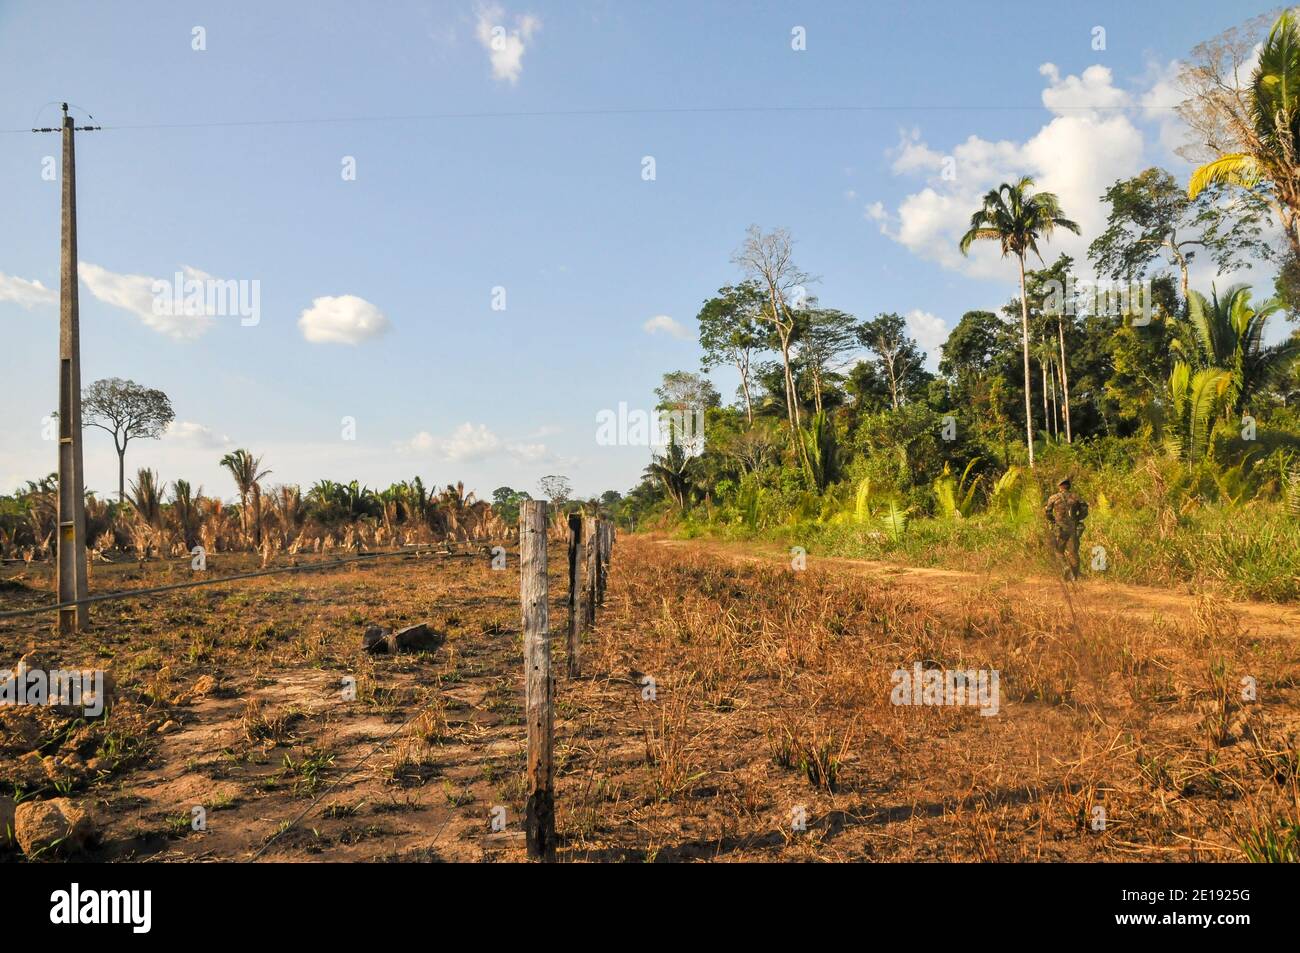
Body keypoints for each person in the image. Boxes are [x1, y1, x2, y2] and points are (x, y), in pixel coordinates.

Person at [1044, 477, 1089, 580]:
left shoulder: (1053, 498)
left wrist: (1053, 521)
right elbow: (1085, 511)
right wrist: (1077, 518)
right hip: (1073, 527)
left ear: (1060, 487)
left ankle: (1065, 567)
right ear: (1069, 486)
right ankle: (1075, 577)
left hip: (1060, 528)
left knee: (1058, 550)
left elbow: (1048, 513)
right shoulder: (1076, 497)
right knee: (1073, 552)